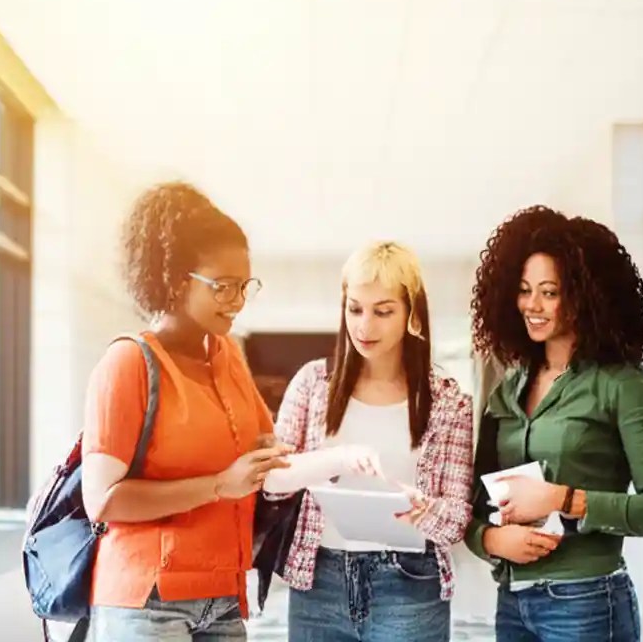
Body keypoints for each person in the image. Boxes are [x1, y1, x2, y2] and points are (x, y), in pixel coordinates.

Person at [464, 207, 643, 642]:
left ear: (584, 296)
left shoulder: (621, 385)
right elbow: (473, 503)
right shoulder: (507, 390)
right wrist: (490, 540)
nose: (533, 305)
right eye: (525, 290)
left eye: (550, 292)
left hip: (585, 601)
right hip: (512, 603)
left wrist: (564, 499)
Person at [81, 182, 288, 641]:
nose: (237, 300)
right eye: (223, 287)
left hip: (225, 595)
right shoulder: (129, 363)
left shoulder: (228, 355)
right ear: (176, 281)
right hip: (147, 600)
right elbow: (103, 499)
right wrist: (218, 485)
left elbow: (259, 442)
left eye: (244, 286)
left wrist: (273, 457)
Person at [262, 241, 475, 642]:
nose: (364, 326)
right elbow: (272, 480)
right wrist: (337, 458)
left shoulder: (448, 400)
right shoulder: (312, 383)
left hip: (410, 584)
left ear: (412, 313)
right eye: (355, 308)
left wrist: (423, 508)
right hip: (319, 582)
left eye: (383, 311)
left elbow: (456, 521)